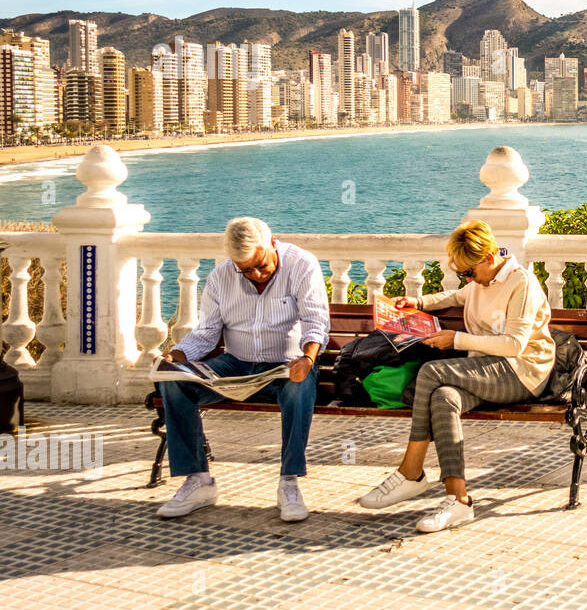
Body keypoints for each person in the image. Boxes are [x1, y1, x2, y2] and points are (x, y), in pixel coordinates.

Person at [358, 220, 555, 532]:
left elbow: (515, 344)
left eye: (469, 271)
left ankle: (411, 472)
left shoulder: (521, 283)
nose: (467, 277)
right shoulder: (482, 279)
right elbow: (457, 296)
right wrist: (418, 303)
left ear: (490, 258)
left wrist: (456, 340)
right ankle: (458, 500)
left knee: (431, 371)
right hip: (484, 370)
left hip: (522, 371)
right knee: (443, 397)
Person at [155, 217, 330, 522]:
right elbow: (207, 332)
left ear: (271, 244)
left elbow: (316, 322)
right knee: (174, 382)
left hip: (287, 364)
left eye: (261, 265)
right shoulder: (221, 276)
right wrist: (179, 354)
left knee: (297, 386)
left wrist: (308, 358)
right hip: (236, 362)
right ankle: (198, 480)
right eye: (246, 270)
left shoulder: (302, 264)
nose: (256, 274)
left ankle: (288, 482)